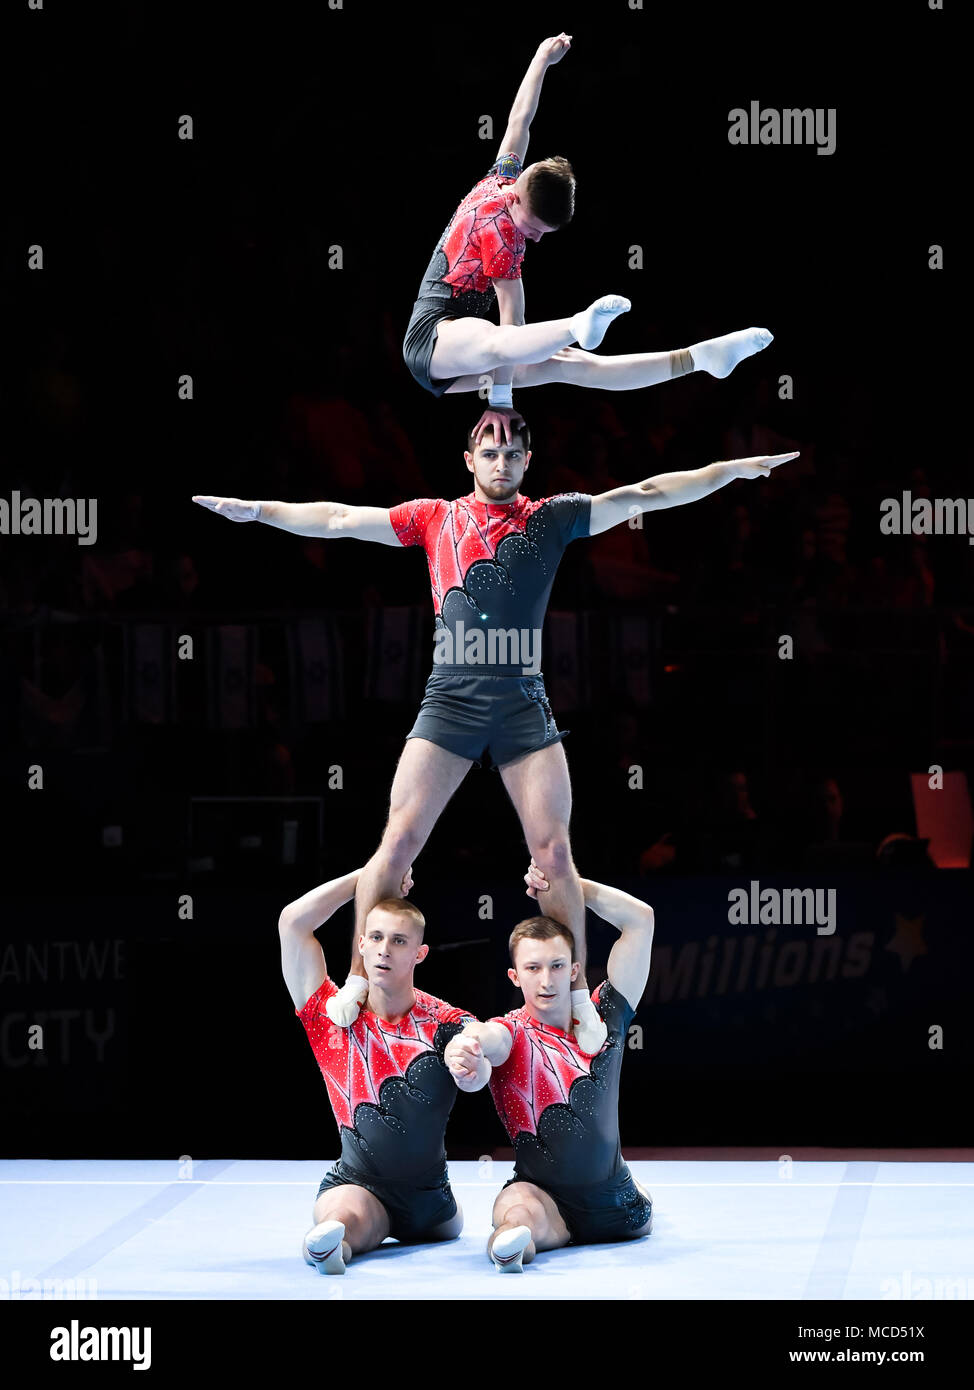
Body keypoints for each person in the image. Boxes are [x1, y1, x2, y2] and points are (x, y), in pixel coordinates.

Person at [193, 429, 797, 1051]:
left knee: (555, 853)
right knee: (395, 843)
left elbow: (646, 492)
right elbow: (342, 519)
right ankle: (355, 979)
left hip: (521, 706)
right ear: (468, 460)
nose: (501, 463)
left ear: (528, 461)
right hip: (449, 702)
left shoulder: (554, 518)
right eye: (489, 452)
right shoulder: (435, 519)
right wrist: (258, 511)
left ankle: (579, 996)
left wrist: (734, 468)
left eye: (512, 454)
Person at [404, 31, 773, 444]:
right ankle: (577, 323)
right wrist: (501, 401)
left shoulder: (502, 178)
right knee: (497, 341)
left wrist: (541, 59)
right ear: (518, 203)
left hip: (462, 356)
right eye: (535, 229)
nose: (536, 240)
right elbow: (513, 324)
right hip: (432, 339)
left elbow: (519, 120)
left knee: (573, 365)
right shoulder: (502, 236)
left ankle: (699, 358)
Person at [444, 858, 655, 1270]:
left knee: (625, 1193)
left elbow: (641, 920)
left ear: (574, 970)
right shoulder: (511, 1032)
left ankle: (636, 1189)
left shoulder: (605, 1015)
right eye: (533, 968)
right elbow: (487, 1036)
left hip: (622, 1211)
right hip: (550, 1205)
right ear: (514, 976)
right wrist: (465, 1044)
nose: (546, 980)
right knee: (514, 1208)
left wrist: (567, 886)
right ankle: (511, 1246)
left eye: (557, 966)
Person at [278, 862, 476, 1274]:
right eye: (378, 937)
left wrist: (474, 1061)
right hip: (359, 1183)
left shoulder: (445, 1022)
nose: (386, 949)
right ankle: (334, 1248)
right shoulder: (330, 1016)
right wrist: (366, 878)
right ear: (362, 944)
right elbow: (293, 923)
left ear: (419, 953)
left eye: (400, 940)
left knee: (450, 1228)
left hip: (434, 1203)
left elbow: (484, 1049)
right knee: (342, 1218)